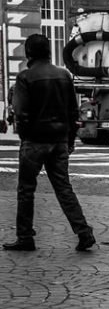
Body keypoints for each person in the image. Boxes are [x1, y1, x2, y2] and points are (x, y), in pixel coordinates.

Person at [3, 34, 95, 252]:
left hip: (35, 140)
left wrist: (24, 136)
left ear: (28, 54)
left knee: (26, 190)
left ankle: (25, 236)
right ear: (49, 52)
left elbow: (21, 113)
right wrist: (70, 140)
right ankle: (83, 231)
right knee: (64, 188)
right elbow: (74, 112)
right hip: (59, 139)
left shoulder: (25, 77)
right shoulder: (64, 75)